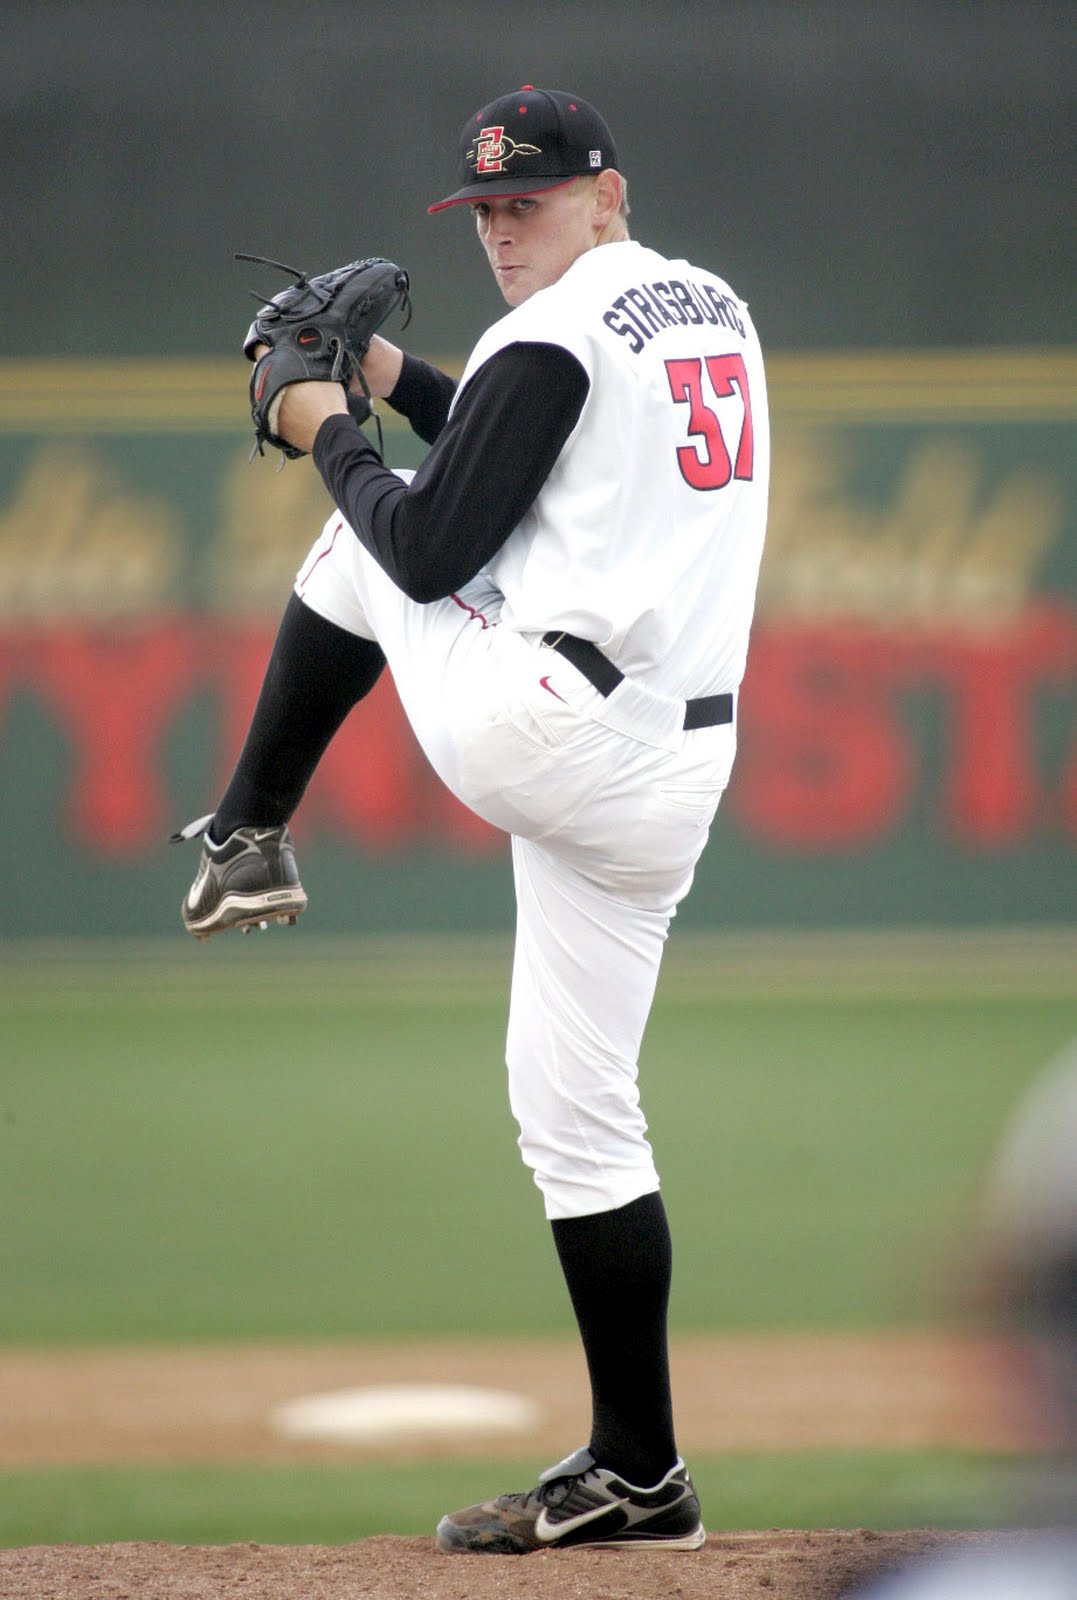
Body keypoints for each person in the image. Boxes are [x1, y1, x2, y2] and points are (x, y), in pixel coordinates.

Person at [175, 85, 769, 1554]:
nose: (508, 230)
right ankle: (642, 1471)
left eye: (534, 204)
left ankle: (244, 827)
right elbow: (523, 444)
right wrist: (388, 370)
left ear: (605, 196)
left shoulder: (554, 329)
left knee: (360, 537)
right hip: (668, 776)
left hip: (549, 735)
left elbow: (438, 540)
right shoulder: (704, 306)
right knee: (574, 1117)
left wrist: (327, 420)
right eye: (489, 212)